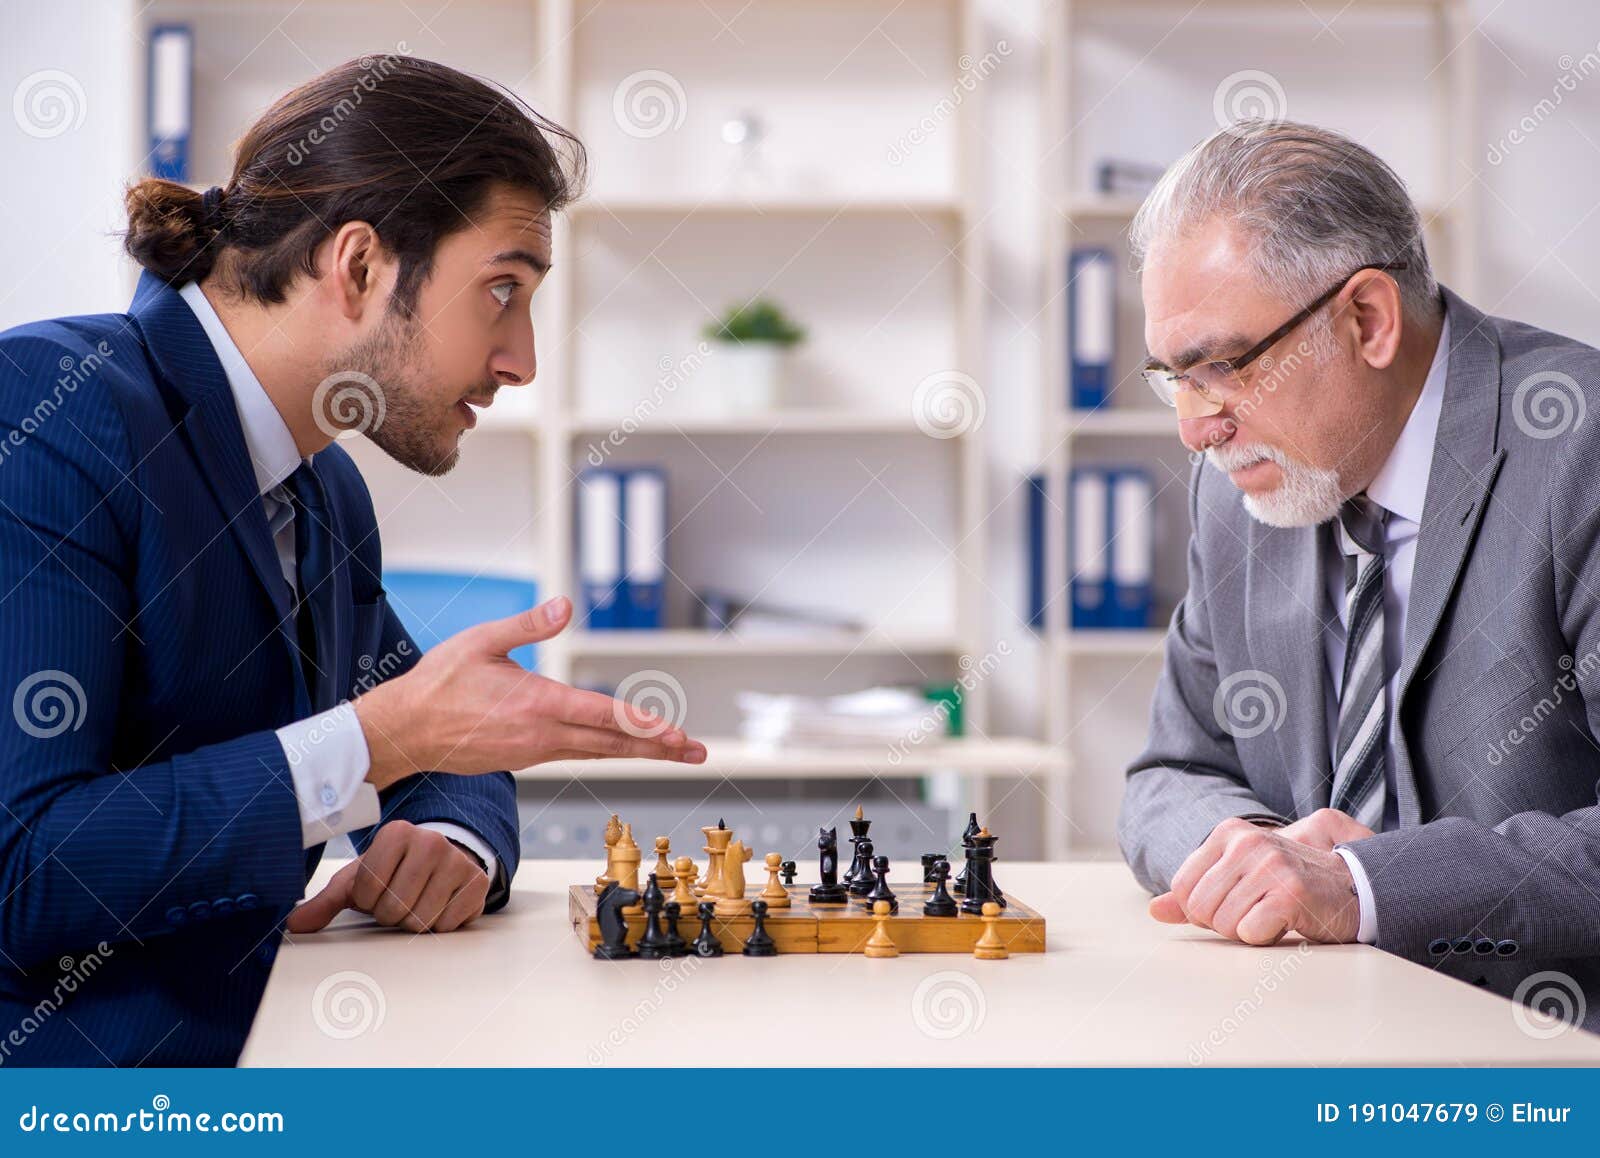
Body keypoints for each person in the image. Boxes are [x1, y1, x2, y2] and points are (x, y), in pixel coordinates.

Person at [0, 55, 706, 1067]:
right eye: (500, 290)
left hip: (277, 1047)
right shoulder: (48, 414)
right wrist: (376, 746)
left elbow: (433, 746)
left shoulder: (320, 487)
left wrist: (449, 843)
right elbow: (22, 869)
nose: (522, 360)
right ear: (361, 266)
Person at [1119, 119, 1600, 1032]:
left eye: (1222, 365)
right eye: (1173, 377)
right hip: (1304, 1033)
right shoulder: (1239, 492)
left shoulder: (1579, 453)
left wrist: (1363, 887)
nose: (1196, 428)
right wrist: (1259, 864)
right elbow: (1170, 773)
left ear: (1367, 320)